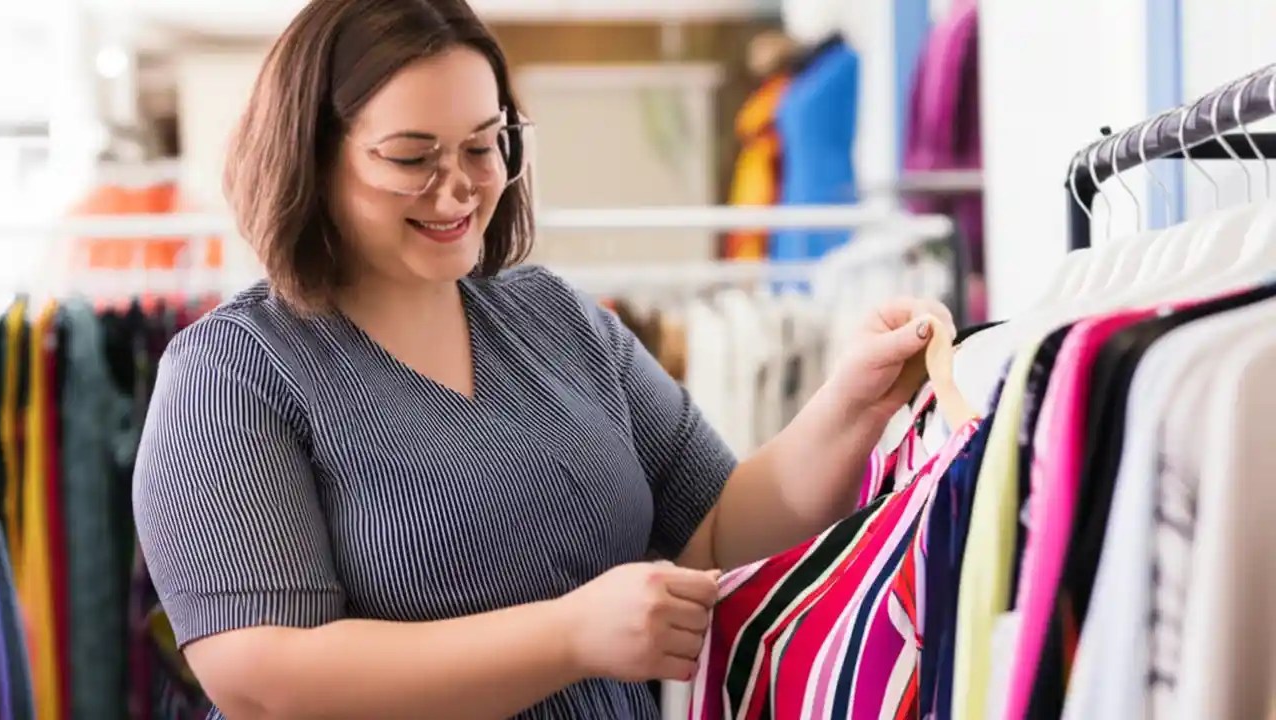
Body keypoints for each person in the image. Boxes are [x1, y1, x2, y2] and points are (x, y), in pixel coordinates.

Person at [130, 0, 954, 717]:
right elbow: (261, 676)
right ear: (311, 157)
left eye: (484, 147)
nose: (458, 190)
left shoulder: (553, 317)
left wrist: (852, 405)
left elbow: (717, 529)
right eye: (413, 158)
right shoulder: (233, 374)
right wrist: (568, 638)